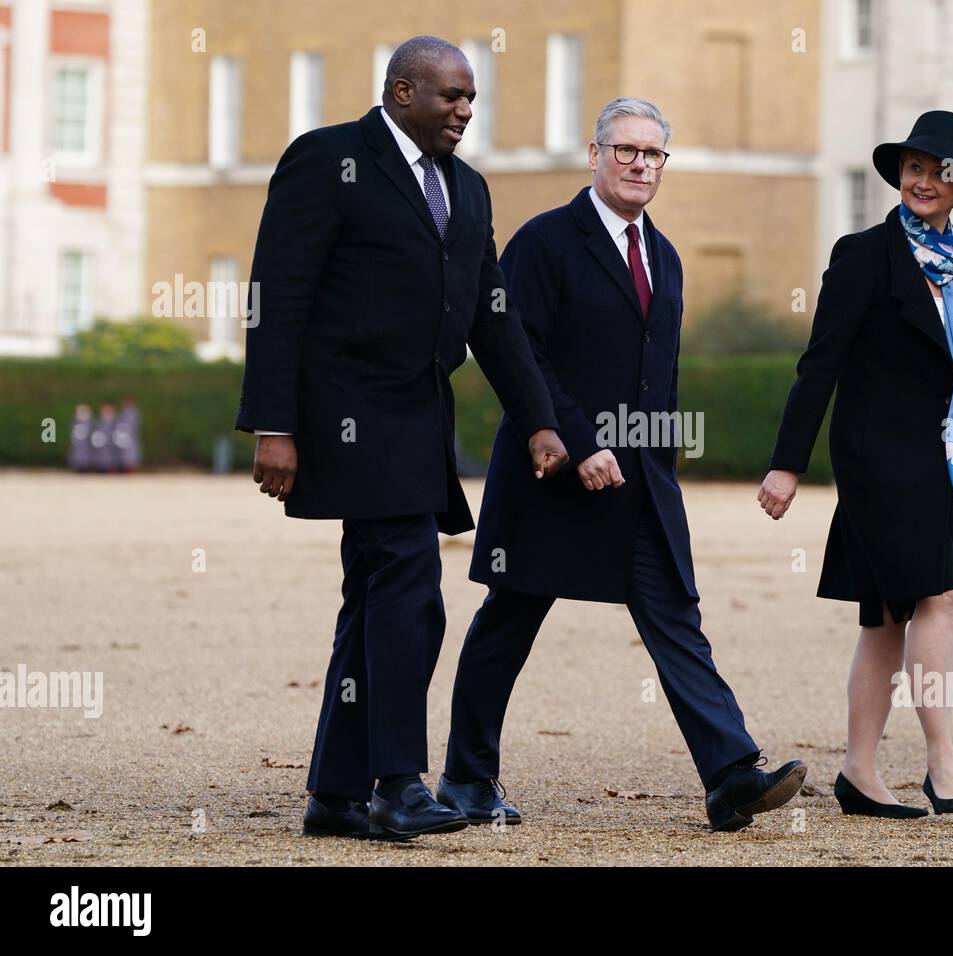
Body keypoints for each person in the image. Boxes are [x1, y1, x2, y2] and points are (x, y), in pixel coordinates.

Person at [234, 36, 569, 840]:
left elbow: (494, 313)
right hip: (344, 411)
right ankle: (398, 783)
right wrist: (274, 424)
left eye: (471, 99)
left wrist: (540, 420)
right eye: (450, 96)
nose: (464, 111)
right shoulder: (327, 158)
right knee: (411, 592)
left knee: (376, 597)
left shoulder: (469, 189)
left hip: (421, 416)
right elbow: (275, 295)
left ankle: (337, 794)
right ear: (400, 91)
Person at [440, 97, 806, 833]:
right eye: (626, 151)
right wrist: (576, 439)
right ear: (595, 154)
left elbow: (655, 381)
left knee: (676, 616)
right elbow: (516, 352)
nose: (641, 165)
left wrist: (660, 471)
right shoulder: (544, 242)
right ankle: (465, 779)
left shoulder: (665, 257)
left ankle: (730, 774)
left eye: (653, 155)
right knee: (508, 620)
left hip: (638, 484)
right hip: (549, 474)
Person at [758, 110, 953, 819]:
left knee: (887, 616)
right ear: (900, 175)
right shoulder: (863, 254)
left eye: (940, 172)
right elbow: (821, 364)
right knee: (941, 597)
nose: (924, 181)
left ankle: (860, 773)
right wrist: (787, 465)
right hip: (878, 454)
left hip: (949, 454)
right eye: (914, 168)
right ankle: (942, 762)